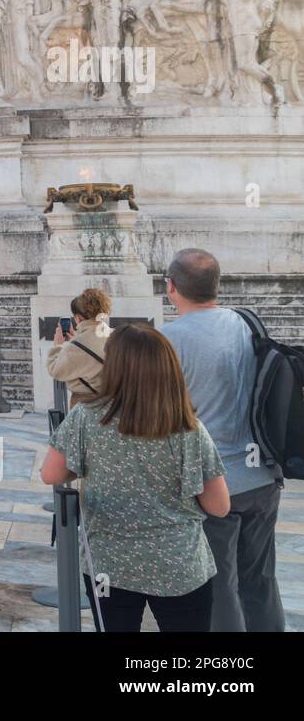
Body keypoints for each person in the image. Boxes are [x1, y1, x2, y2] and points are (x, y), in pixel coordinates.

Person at [42, 323, 230, 632]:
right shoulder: (188, 428)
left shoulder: (87, 417)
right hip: (178, 565)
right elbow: (219, 505)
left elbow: (51, 473)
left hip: (110, 565)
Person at [161, 247, 286, 631]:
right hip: (263, 475)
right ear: (217, 285)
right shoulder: (247, 323)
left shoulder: (168, 340)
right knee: (260, 579)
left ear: (171, 288)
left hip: (212, 483)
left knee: (218, 587)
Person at [46, 287, 112, 407]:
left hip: (87, 406)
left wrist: (58, 346)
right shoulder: (115, 335)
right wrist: (76, 341)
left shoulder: (76, 346)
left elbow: (56, 370)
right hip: (115, 405)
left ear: (77, 317)